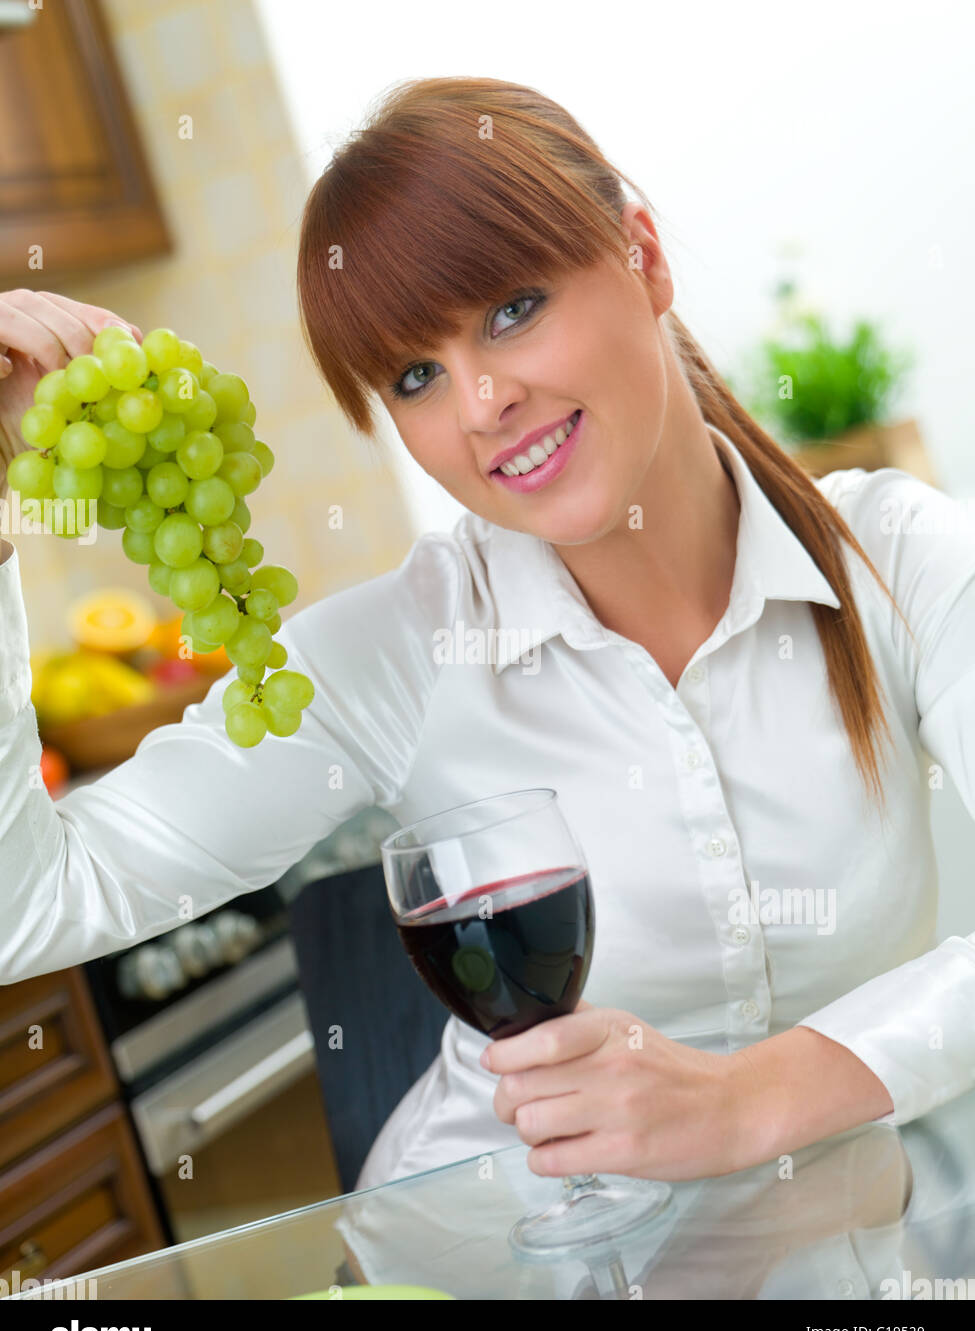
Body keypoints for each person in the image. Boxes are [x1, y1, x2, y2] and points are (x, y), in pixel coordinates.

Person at [1, 76, 973, 1202]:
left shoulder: (894, 560)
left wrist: (753, 1097)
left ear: (644, 255)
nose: (477, 404)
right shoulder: (398, 654)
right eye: (415, 376)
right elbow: (31, 907)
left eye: (512, 309)